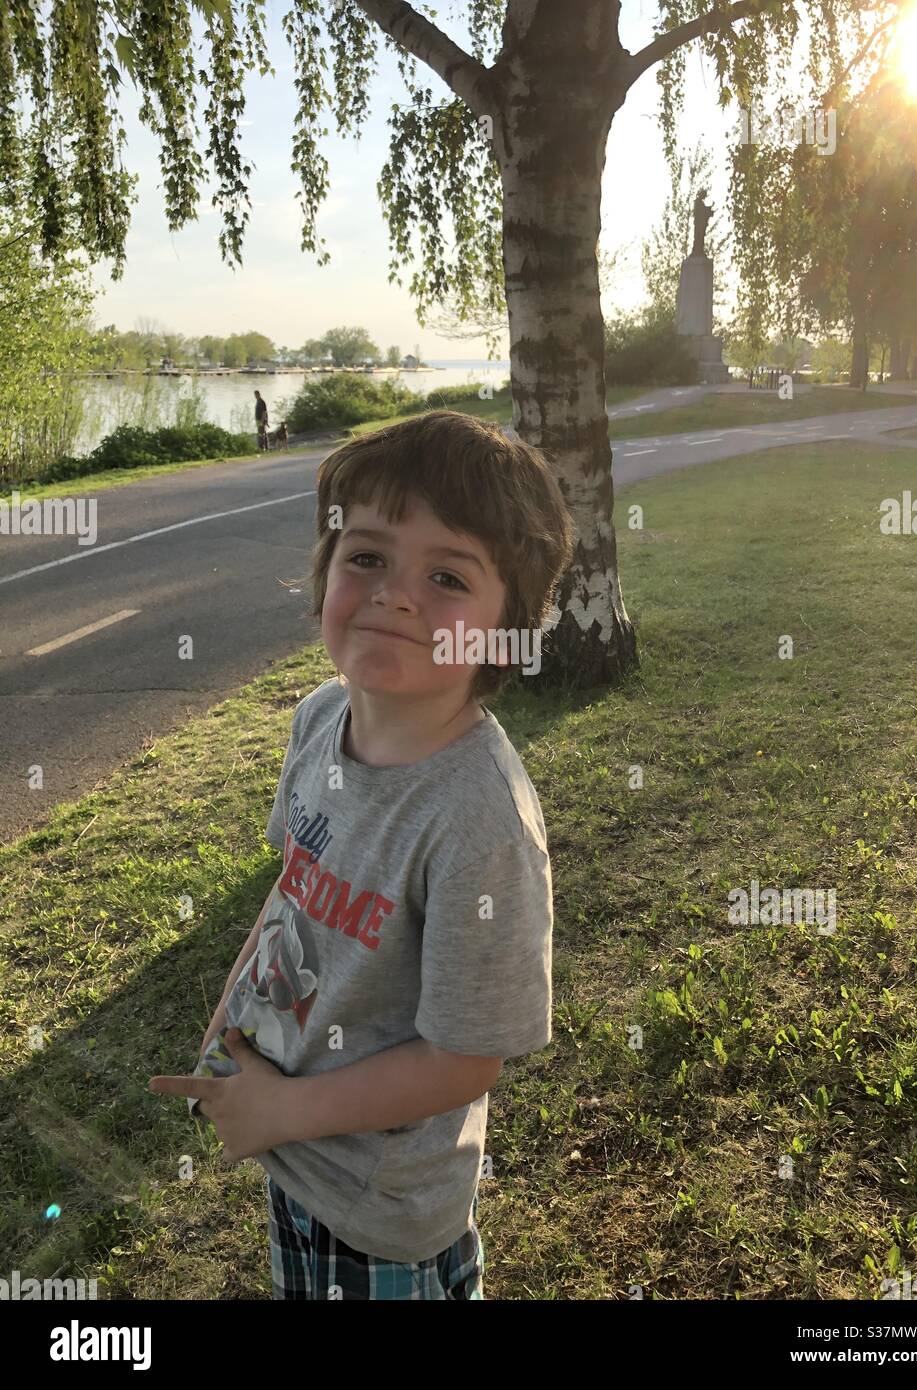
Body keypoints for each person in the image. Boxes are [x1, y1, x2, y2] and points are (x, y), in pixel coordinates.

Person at [149, 409, 574, 1300]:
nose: (396, 595)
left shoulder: (480, 823)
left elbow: (466, 1057)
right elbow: (292, 894)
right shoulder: (316, 720)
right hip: (292, 1152)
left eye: (447, 575)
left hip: (380, 1206)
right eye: (367, 557)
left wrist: (283, 1109)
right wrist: (233, 1046)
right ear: (324, 578)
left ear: (503, 632)